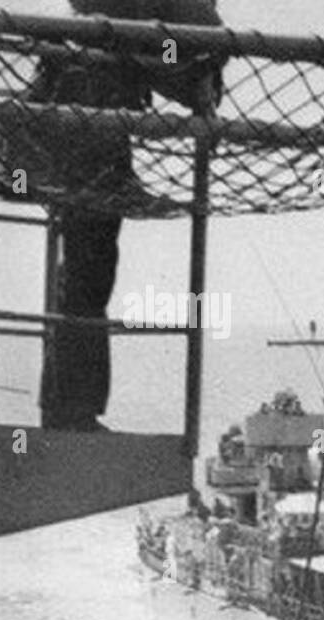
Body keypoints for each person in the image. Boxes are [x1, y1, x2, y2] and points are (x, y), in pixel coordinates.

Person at [32, 0, 227, 430]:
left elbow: (169, 55)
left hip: (80, 137)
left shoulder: (129, 21)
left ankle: (66, 405)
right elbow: (174, 58)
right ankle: (72, 409)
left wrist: (174, 63)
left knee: (84, 273)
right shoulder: (143, 18)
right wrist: (192, 79)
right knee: (88, 273)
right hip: (88, 146)